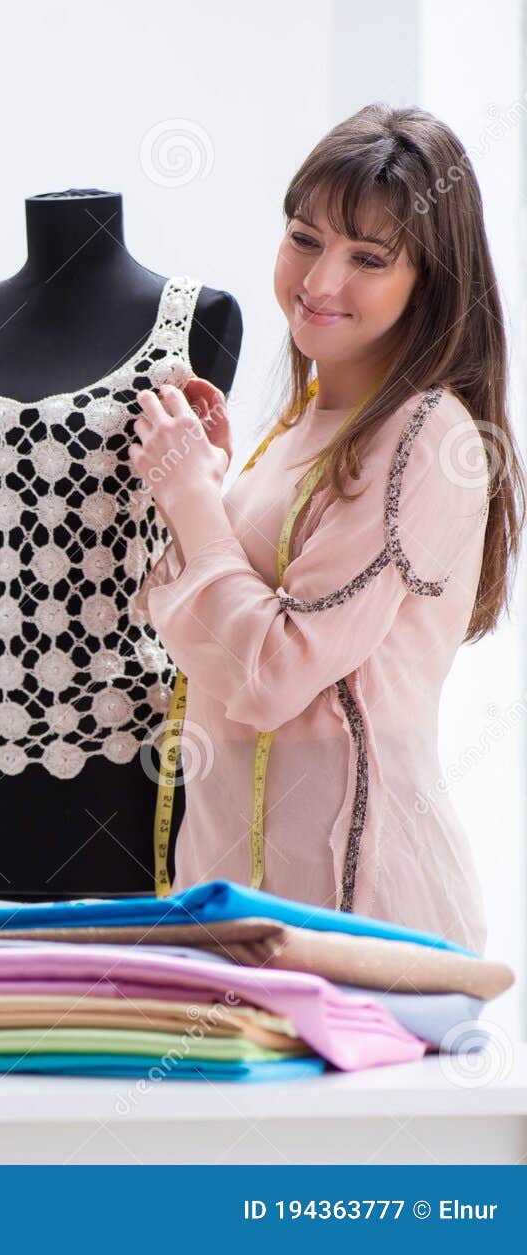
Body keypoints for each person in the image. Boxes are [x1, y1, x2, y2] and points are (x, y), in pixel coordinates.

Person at [129, 104, 523, 953]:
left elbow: (267, 674)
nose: (320, 279)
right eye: (304, 238)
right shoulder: (293, 431)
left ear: (432, 279)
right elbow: (191, 639)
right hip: (241, 912)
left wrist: (198, 504)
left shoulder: (427, 435)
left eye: (369, 258)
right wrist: (204, 491)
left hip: (366, 924)